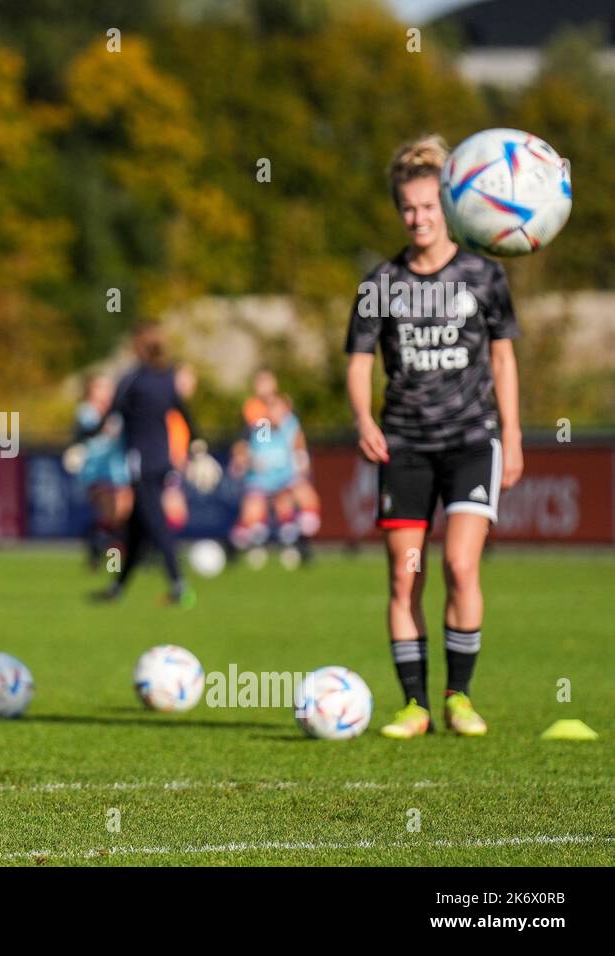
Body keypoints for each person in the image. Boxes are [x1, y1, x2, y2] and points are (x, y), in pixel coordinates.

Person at [345, 134, 522, 739]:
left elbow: (502, 359)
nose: (419, 218)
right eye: (408, 209)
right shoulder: (380, 283)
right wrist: (365, 420)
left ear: (448, 205)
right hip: (405, 446)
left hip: (474, 440)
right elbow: (358, 361)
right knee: (404, 575)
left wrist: (514, 436)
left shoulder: (484, 273)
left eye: (428, 206)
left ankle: (460, 696)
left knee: (462, 564)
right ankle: (415, 705)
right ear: (400, 212)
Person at [85, 324, 218, 606]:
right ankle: (117, 589)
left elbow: (110, 416)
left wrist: (82, 440)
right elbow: (185, 415)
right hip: (162, 460)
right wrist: (199, 446)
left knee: (156, 523)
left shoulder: (132, 379)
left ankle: (179, 585)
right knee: (136, 528)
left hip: (140, 462)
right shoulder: (167, 379)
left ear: (138, 347)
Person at [228, 390, 321, 567]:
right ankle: (239, 547)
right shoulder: (262, 427)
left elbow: (299, 452)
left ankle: (297, 544)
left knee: (304, 503)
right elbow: (251, 453)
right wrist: (247, 460)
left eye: (280, 409)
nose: (277, 413)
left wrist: (299, 467)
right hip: (261, 481)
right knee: (250, 519)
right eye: (273, 409)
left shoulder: (290, 425)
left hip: (283, 480)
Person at [70, 373, 132, 569]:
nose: (106, 391)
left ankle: (100, 549)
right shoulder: (86, 412)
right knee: (110, 515)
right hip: (96, 470)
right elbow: (89, 432)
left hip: (119, 469)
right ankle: (106, 557)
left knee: (121, 517)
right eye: (100, 387)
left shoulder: (119, 412)